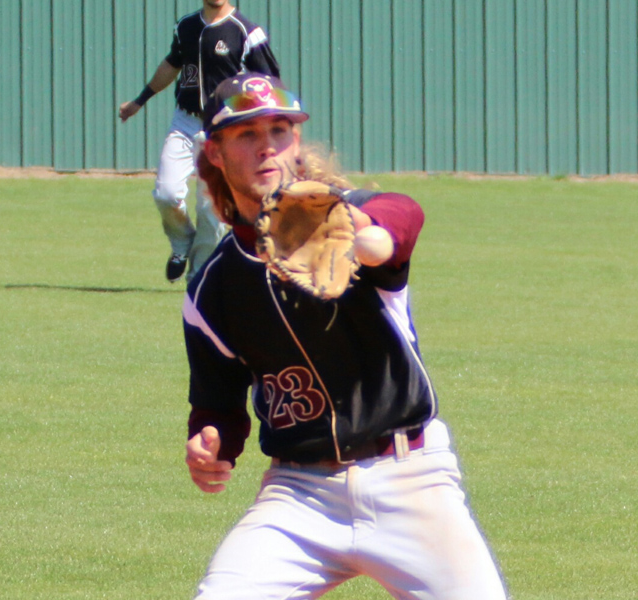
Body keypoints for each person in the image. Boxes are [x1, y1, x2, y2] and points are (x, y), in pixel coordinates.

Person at [181, 71, 508, 600]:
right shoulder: (211, 289)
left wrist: (366, 230)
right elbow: (217, 400)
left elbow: (402, 214)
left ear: (298, 142)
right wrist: (211, 439)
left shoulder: (346, 220)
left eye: (280, 130)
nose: (268, 147)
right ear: (215, 153)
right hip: (300, 497)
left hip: (411, 480)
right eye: (247, 134)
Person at [118, 0, 280, 282]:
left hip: (223, 129)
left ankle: (197, 280)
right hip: (185, 120)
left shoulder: (246, 31)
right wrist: (139, 101)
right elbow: (172, 63)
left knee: (211, 210)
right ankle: (181, 242)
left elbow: (269, 82)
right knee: (166, 194)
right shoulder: (186, 26)